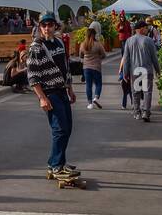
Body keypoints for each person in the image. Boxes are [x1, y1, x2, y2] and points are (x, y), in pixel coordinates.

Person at [26, 12, 79, 182]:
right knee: (60, 129)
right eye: (44, 25)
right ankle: (57, 166)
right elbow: (33, 75)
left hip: (62, 90)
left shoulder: (59, 42)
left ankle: (56, 163)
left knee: (67, 128)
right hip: (49, 92)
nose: (47, 28)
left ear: (55, 26)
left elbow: (66, 67)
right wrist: (41, 97)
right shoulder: (36, 47)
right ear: (40, 28)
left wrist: (70, 88)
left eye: (50, 24)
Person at [119, 16, 160, 123]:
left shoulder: (129, 41)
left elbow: (126, 58)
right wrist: (158, 70)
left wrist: (125, 73)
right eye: (146, 28)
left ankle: (137, 112)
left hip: (135, 70)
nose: (147, 30)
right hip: (146, 70)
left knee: (136, 91)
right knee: (147, 92)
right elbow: (154, 58)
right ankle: (146, 112)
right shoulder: (149, 41)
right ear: (141, 29)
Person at [77, 27, 107, 109]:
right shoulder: (98, 44)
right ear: (94, 35)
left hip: (86, 67)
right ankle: (96, 97)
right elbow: (104, 55)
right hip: (96, 67)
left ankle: (90, 103)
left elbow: (80, 55)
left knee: (88, 85)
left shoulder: (83, 44)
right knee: (98, 84)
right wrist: (98, 58)